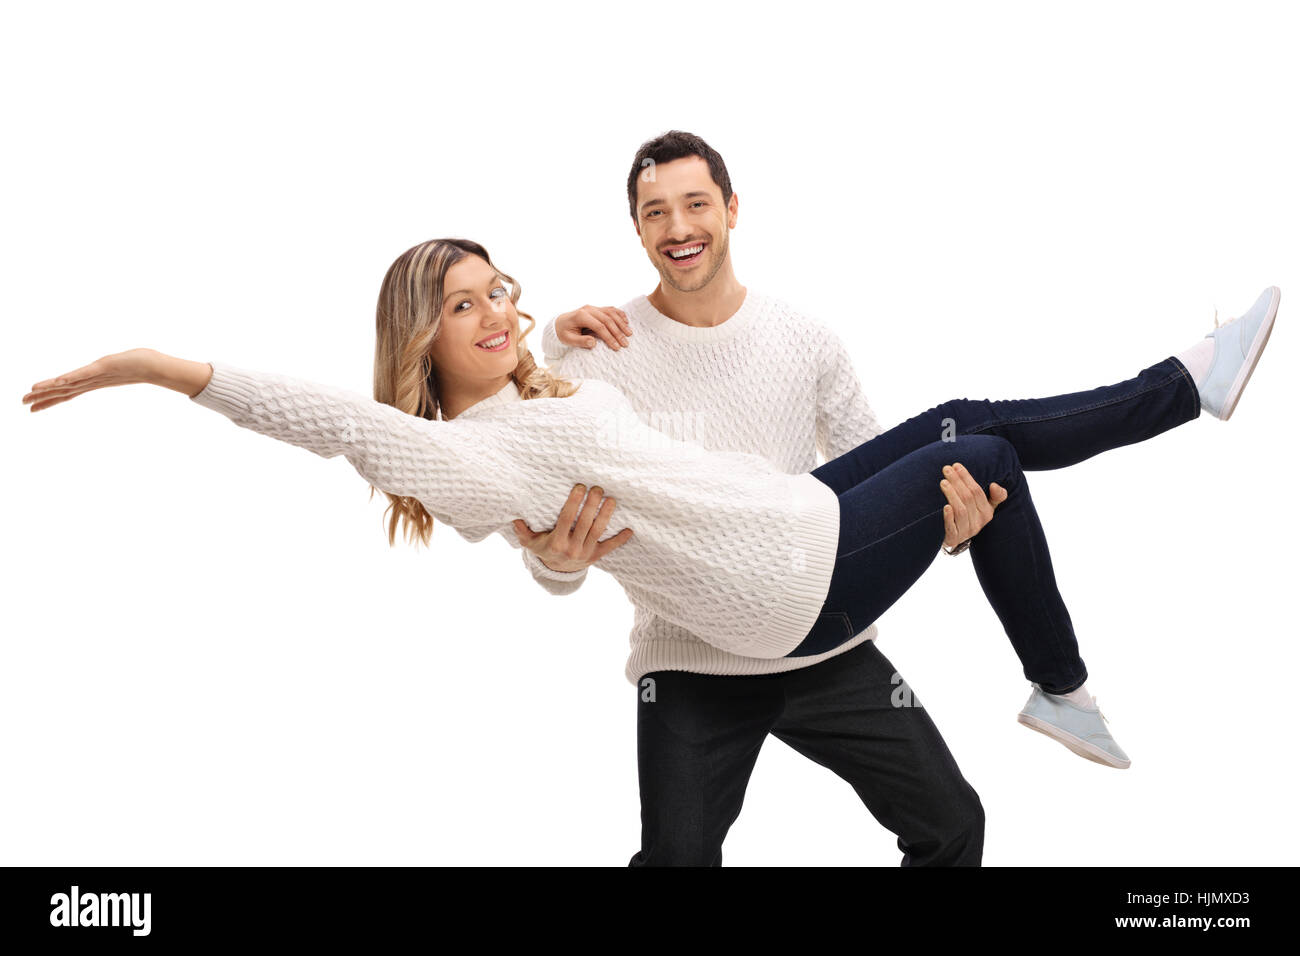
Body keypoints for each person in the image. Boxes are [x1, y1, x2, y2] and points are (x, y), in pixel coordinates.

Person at [22, 238, 1278, 856]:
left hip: (796, 523)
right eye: (464, 305)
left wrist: (550, 345)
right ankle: (1067, 665)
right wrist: (157, 368)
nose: (500, 309)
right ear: (422, 344)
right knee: (990, 449)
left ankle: (1173, 409)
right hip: (781, 583)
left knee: (962, 432)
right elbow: (330, 418)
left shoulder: (558, 382)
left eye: (497, 285)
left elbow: (619, 456)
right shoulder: (461, 450)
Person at [520, 131, 997, 868]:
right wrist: (555, 564)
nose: (678, 229)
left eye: (696, 204)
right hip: (691, 660)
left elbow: (879, 479)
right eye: (655, 212)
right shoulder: (594, 355)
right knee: (677, 857)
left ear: (733, 209)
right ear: (638, 229)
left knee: (954, 823)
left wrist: (955, 531)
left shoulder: (805, 339)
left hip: (823, 634)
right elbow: (554, 552)